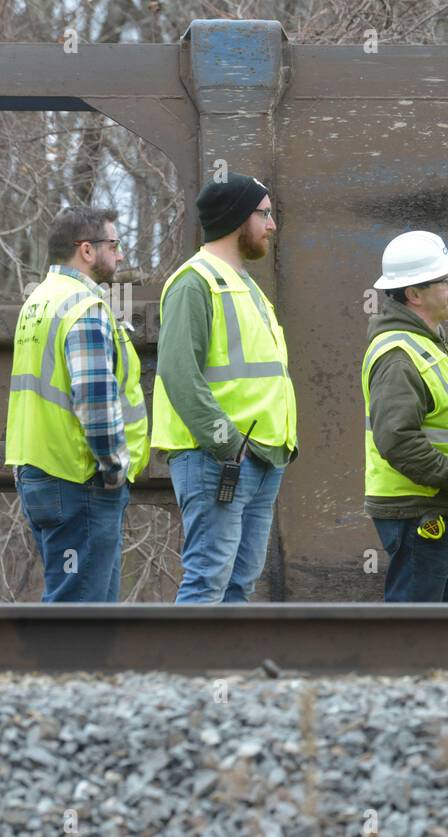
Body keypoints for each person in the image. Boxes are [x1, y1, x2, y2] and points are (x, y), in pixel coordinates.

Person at [151, 173, 297, 603]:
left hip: (262, 456)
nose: (272, 225)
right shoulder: (193, 282)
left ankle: (222, 671)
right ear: (238, 219)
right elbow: (179, 373)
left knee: (238, 583)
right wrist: (227, 443)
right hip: (220, 458)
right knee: (208, 579)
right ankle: (189, 671)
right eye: (264, 214)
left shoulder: (246, 285)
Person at [5, 206, 149, 602]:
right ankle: (59, 666)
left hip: (40, 471)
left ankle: (73, 665)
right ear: (87, 250)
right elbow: (94, 399)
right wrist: (115, 466)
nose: (119, 255)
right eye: (114, 245)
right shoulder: (83, 307)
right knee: (80, 612)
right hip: (79, 477)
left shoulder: (39, 302)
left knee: (77, 602)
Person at [363, 232, 448, 602]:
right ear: (414, 294)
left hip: (443, 505)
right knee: (414, 628)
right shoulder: (400, 354)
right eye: (446, 281)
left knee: (447, 630)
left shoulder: (427, 343)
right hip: (422, 510)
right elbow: (398, 442)